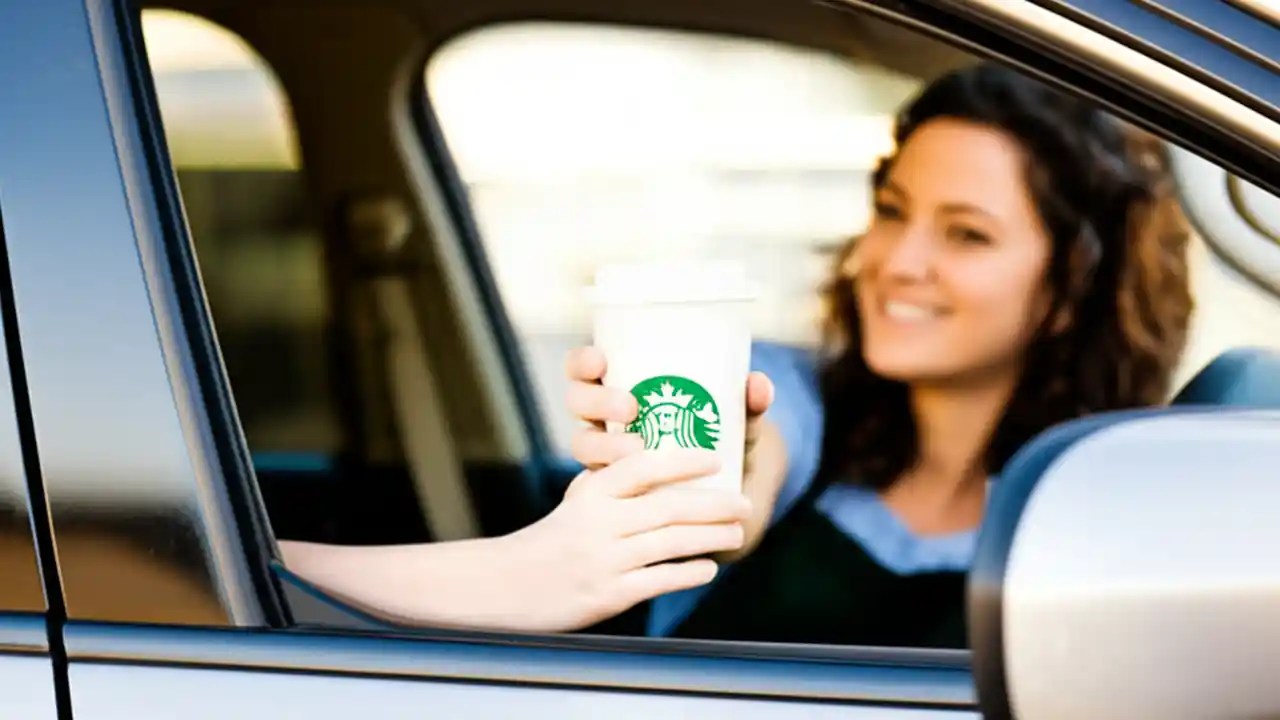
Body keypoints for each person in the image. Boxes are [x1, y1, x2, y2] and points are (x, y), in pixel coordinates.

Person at [563, 63, 1194, 647]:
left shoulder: (1095, 523)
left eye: (967, 234)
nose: (896, 261)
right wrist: (718, 480)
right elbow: (756, 449)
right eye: (892, 212)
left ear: (1071, 287)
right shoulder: (801, 402)